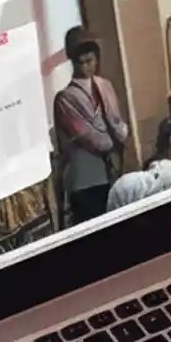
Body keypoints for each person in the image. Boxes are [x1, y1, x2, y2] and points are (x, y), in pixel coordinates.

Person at [53, 26, 130, 224]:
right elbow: (87, 135)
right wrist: (113, 140)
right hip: (85, 180)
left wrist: (121, 133)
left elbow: (118, 122)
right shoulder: (65, 98)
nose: (88, 64)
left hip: (111, 173)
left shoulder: (105, 85)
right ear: (73, 61)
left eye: (91, 58)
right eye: (82, 60)